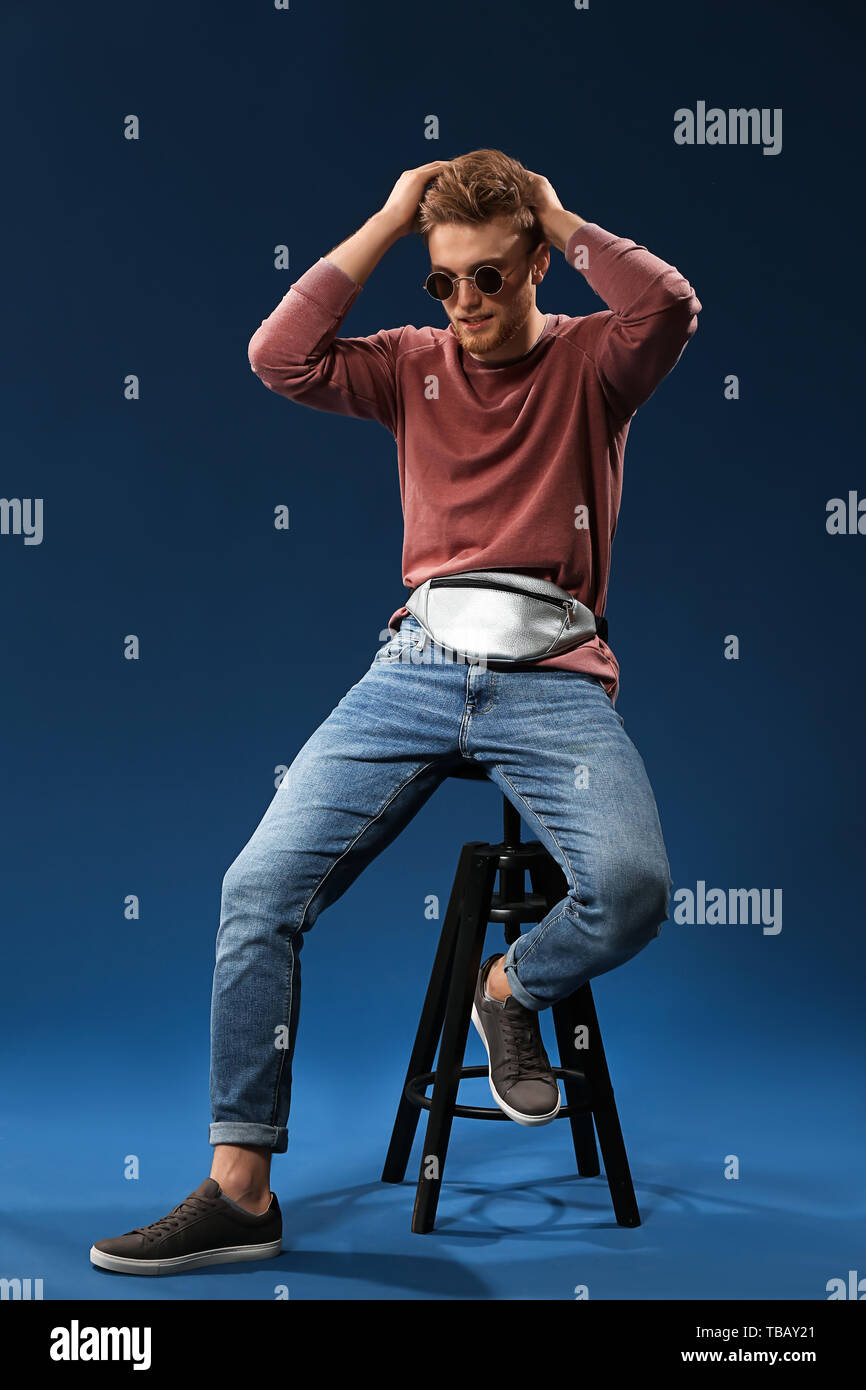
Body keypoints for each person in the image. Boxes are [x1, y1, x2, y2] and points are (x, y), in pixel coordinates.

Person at [89, 148, 700, 1275]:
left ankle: (509, 983)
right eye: (443, 280)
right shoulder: (411, 366)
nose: (462, 303)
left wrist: (559, 216)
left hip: (552, 677)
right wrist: (385, 219)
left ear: (530, 267)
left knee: (629, 889)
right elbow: (276, 356)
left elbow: (664, 304)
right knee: (255, 892)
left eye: (485, 277)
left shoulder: (592, 363)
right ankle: (241, 1189)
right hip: (413, 669)